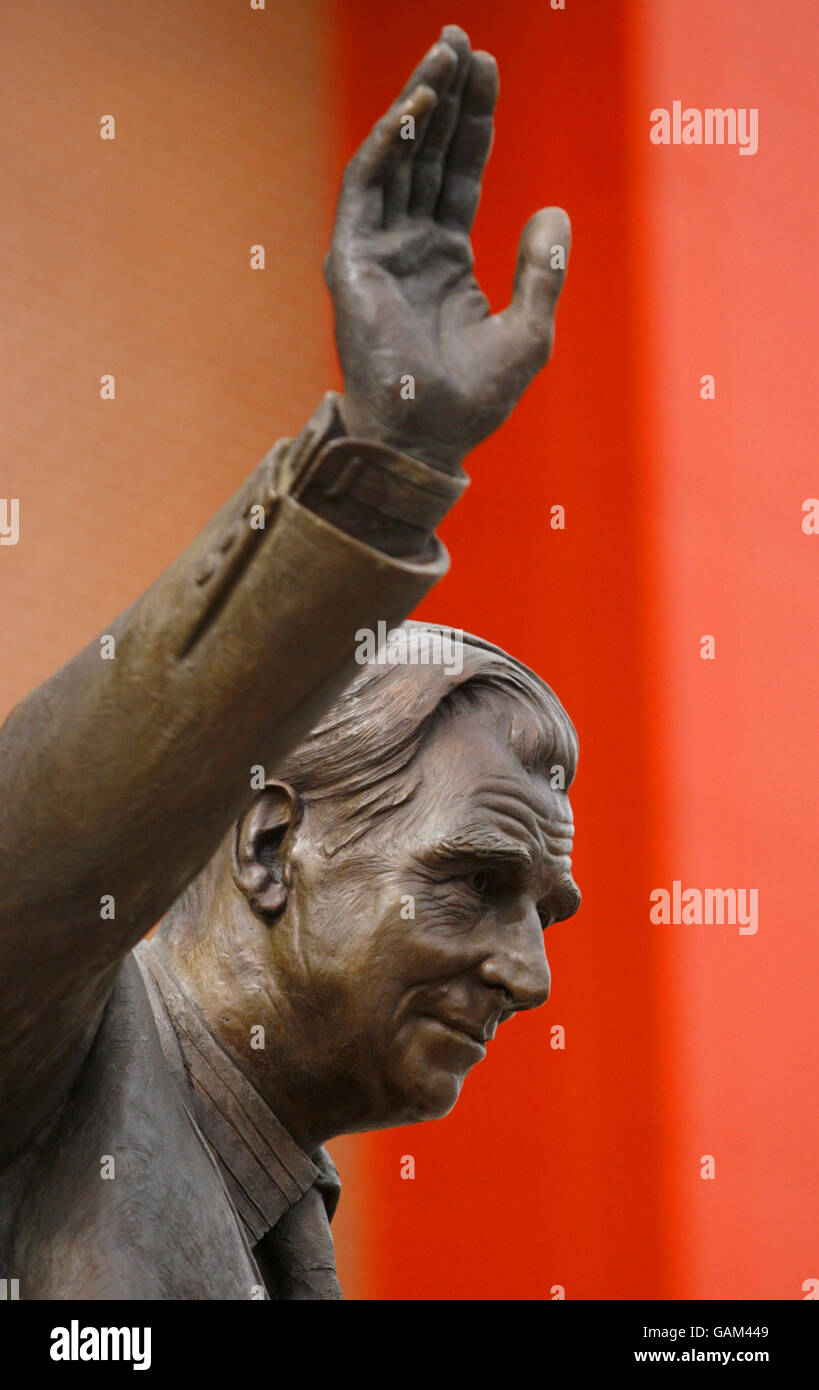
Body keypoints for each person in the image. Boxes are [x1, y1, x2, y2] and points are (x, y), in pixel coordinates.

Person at [0, 25, 578, 1299]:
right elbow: (41, 860)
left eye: (543, 911)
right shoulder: (40, 1045)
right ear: (266, 843)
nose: (530, 975)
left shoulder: (277, 1219)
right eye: (477, 881)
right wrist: (381, 474)